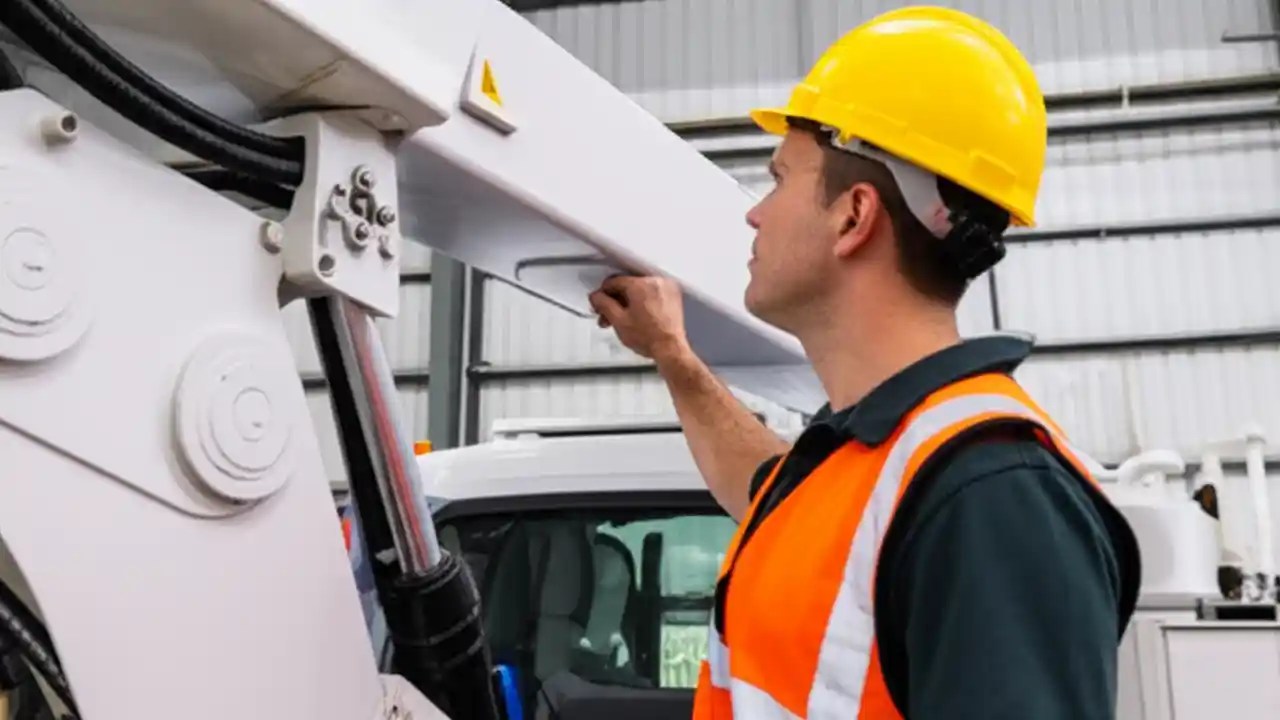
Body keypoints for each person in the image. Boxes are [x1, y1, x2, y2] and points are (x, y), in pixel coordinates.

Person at [587, 6, 1141, 719]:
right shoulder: (872, 457)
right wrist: (671, 353)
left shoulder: (993, 495)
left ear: (854, 216)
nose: (755, 215)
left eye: (779, 179)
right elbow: (767, 489)